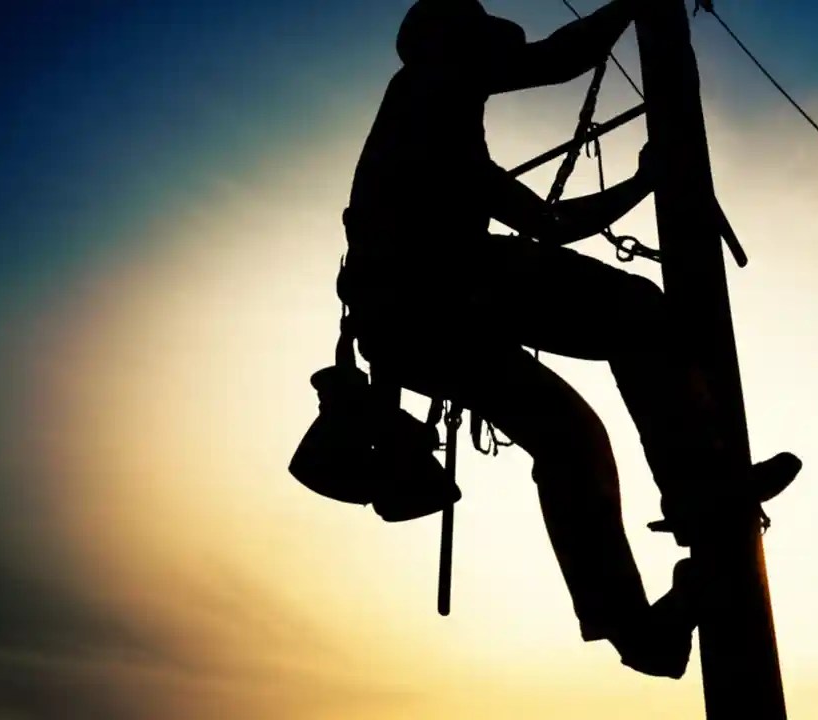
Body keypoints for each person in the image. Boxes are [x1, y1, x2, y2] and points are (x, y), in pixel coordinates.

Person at [337, 0, 794, 678]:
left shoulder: (436, 103)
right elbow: (553, 94)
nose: (496, 62)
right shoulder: (430, 96)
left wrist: (639, 176)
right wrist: (633, 9)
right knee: (630, 316)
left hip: (423, 313)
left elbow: (552, 86)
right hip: (435, 297)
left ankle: (643, 628)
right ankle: (698, 496)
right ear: (446, 44)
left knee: (571, 438)